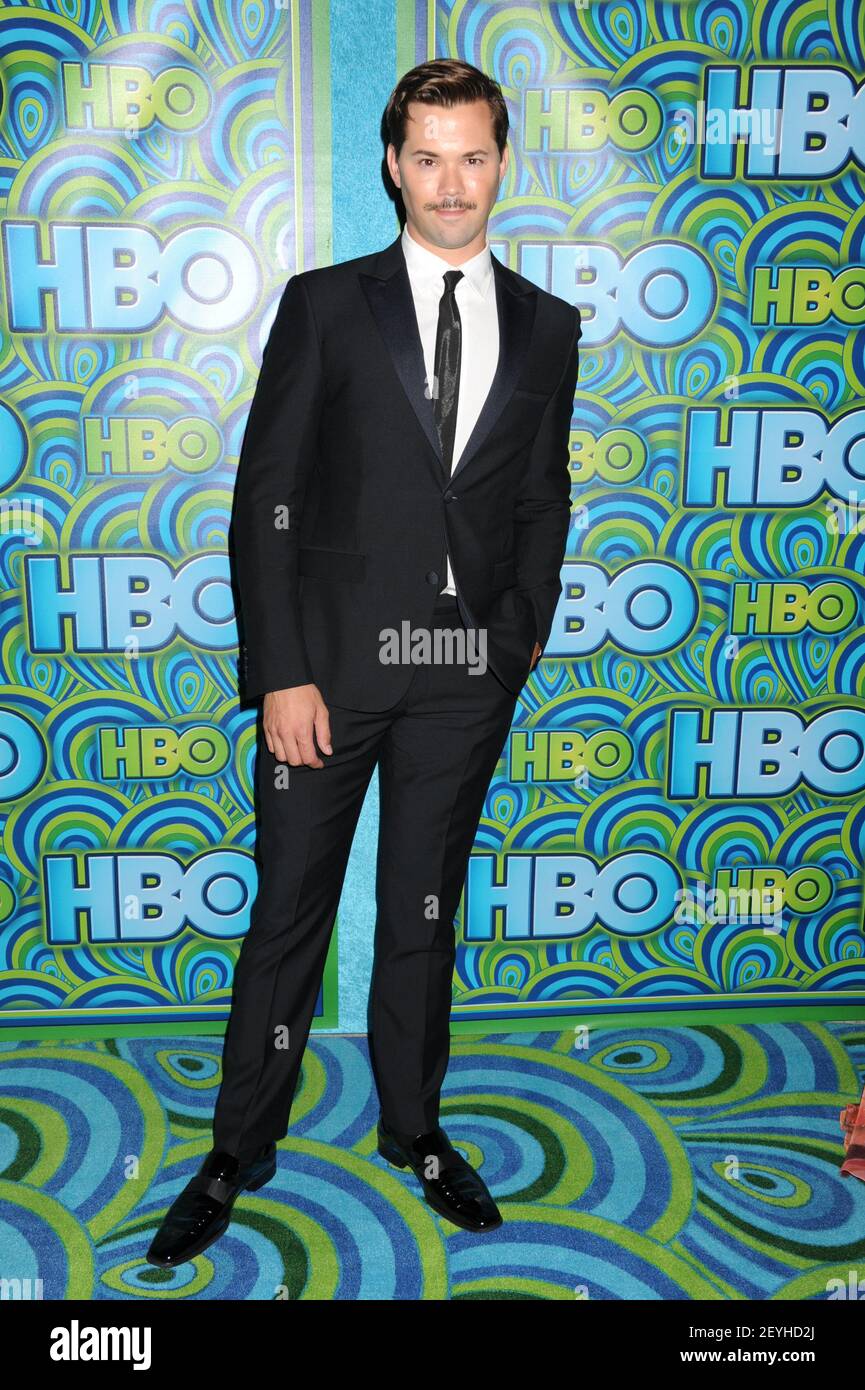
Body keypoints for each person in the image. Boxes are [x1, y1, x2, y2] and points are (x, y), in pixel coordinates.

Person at [147, 56, 582, 1267]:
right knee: (288, 913)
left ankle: (415, 1128)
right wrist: (280, 672)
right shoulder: (328, 304)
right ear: (393, 163)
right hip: (325, 677)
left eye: (475, 155)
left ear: (503, 161)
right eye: (428, 156)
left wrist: (518, 637)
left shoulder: (551, 326)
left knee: (420, 916)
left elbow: (542, 496)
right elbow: (266, 496)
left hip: (462, 676)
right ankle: (238, 1150)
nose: (453, 182)